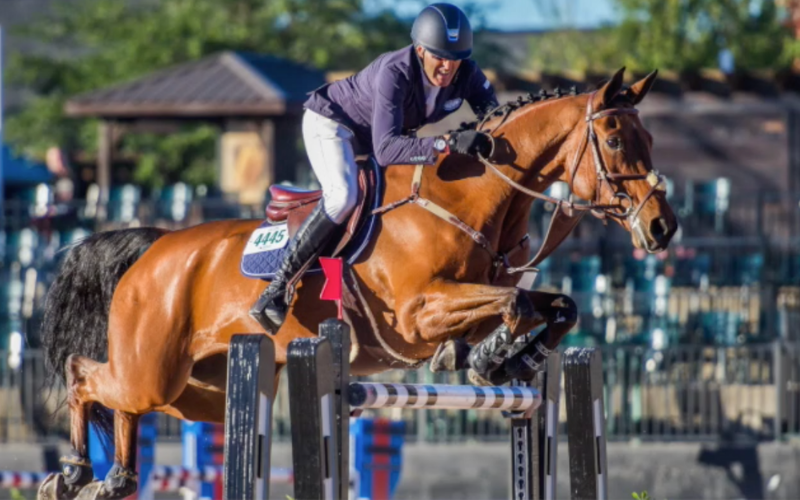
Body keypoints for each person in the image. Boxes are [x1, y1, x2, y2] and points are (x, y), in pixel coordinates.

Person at [250, 2, 499, 333]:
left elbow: (498, 118)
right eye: (439, 56)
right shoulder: (394, 72)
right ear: (420, 50)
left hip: (374, 139)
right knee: (343, 196)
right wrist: (447, 143)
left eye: (456, 58)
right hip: (333, 124)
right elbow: (386, 149)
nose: (448, 66)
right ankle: (278, 287)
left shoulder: (467, 73)